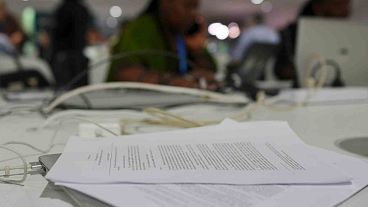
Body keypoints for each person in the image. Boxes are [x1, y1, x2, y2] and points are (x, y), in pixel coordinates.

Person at [107, 0, 219, 90]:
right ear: (165, 3)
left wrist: (197, 50)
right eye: (188, 6)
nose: (194, 14)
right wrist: (174, 81)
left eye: (195, 8)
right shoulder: (141, 28)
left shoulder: (182, 35)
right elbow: (125, 73)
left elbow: (211, 71)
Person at [274, 0, 351, 86]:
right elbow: (280, 70)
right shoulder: (293, 32)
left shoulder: (349, 33)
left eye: (347, 5)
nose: (345, 9)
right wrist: (299, 71)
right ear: (318, 7)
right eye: (338, 4)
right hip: (306, 90)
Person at [50, 0, 92, 89]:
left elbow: (58, 33)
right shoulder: (83, 9)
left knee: (64, 89)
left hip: (64, 55)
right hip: (79, 54)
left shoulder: (62, 9)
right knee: (80, 88)